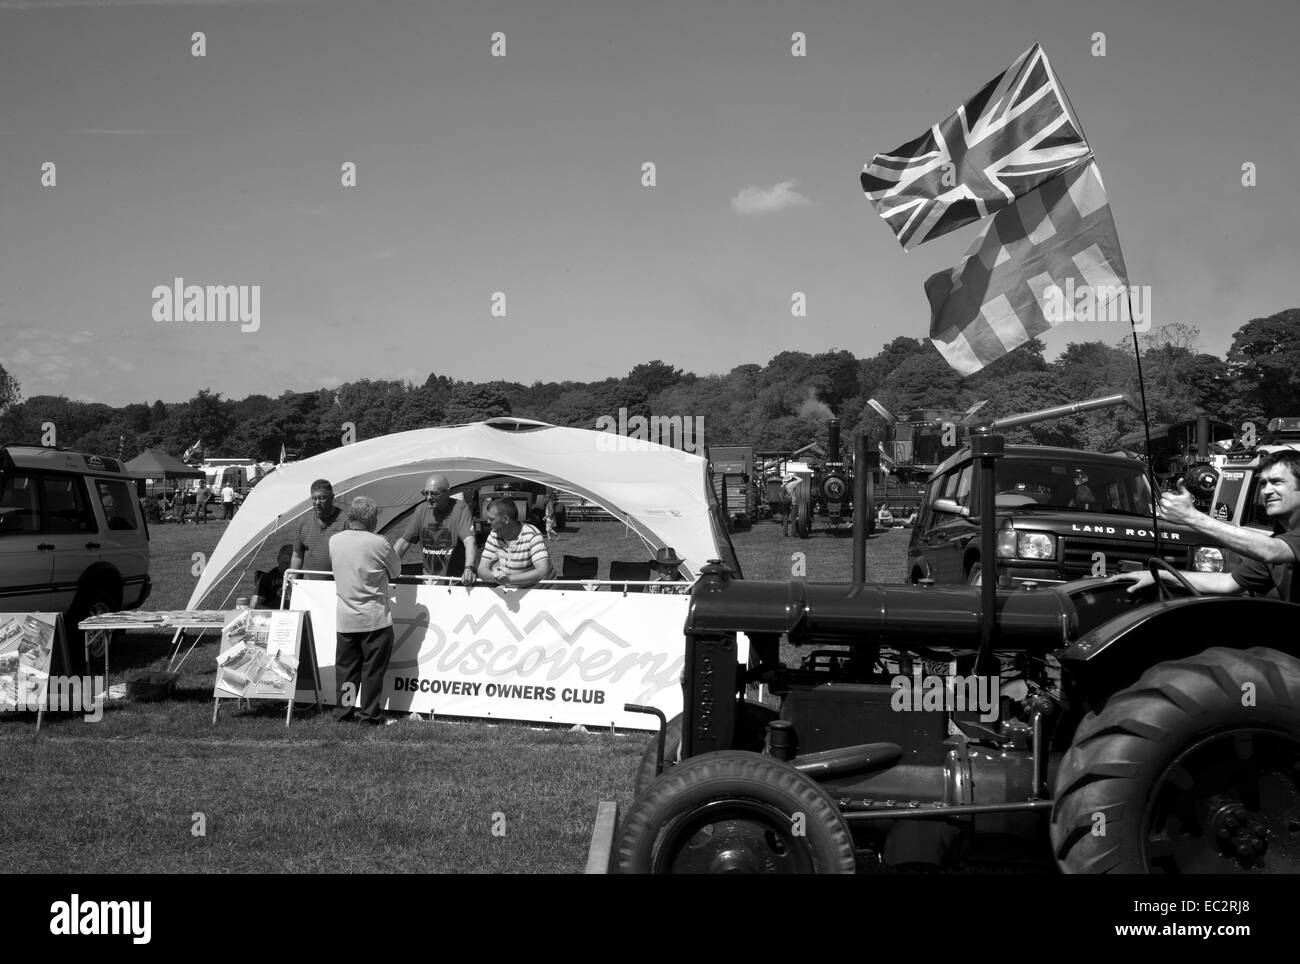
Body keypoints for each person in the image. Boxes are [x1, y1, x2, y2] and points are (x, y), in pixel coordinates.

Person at [1113, 450, 1300, 602]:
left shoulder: (1275, 548)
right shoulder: (1279, 540)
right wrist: (1159, 575)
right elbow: (1227, 583)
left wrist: (1191, 517)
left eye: (1277, 482)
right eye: (1263, 483)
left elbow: (1272, 551)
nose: (1266, 491)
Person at [329, 496, 401, 726]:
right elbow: (396, 571)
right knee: (372, 671)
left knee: (347, 671)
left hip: (346, 618)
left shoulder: (334, 540)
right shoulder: (380, 543)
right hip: (374, 618)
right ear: (371, 518)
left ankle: (344, 712)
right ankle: (370, 714)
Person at [392, 474, 476, 585]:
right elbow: (404, 542)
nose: (428, 498)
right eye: (425, 493)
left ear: (447, 492)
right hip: (429, 581)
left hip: (455, 581)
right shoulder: (421, 509)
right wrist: (386, 565)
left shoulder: (460, 509)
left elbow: (470, 541)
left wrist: (469, 567)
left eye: (434, 494)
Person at [476, 498, 551, 588]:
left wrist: (509, 579)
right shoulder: (493, 535)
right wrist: (496, 578)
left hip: (541, 591)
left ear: (506, 519)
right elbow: (481, 569)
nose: (488, 522)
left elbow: (542, 571)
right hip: (513, 590)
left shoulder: (532, 536)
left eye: (492, 519)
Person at [291, 479, 349, 579]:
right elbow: (297, 555)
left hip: (337, 585)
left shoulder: (345, 522)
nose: (317, 502)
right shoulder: (303, 522)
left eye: (322, 498)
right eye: (314, 498)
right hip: (309, 586)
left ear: (332, 497)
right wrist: (292, 581)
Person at [253, 544, 294, 609]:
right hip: (273, 616)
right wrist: (276, 612)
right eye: (285, 563)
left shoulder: (303, 578)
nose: (288, 567)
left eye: (291, 565)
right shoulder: (266, 578)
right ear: (278, 559)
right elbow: (255, 605)